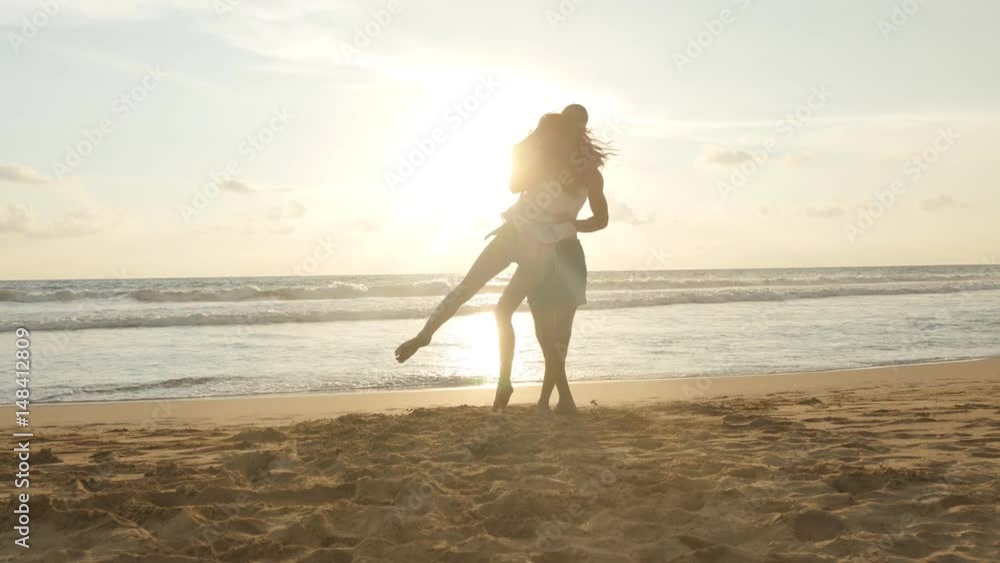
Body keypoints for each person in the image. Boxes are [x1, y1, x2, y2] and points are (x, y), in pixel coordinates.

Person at [395, 105, 611, 412]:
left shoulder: (582, 171)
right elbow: (516, 186)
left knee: (503, 310)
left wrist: (568, 225)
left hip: (539, 248)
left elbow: (598, 218)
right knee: (485, 300)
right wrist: (530, 146)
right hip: (520, 237)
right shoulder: (549, 159)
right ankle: (429, 338)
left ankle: (517, 386)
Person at [528, 104, 609, 415]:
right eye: (569, 126)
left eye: (580, 126)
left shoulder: (590, 172)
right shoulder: (544, 164)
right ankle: (559, 398)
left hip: (568, 253)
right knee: (542, 330)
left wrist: (573, 225)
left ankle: (553, 400)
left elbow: (601, 218)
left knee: (561, 332)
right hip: (536, 251)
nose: (574, 131)